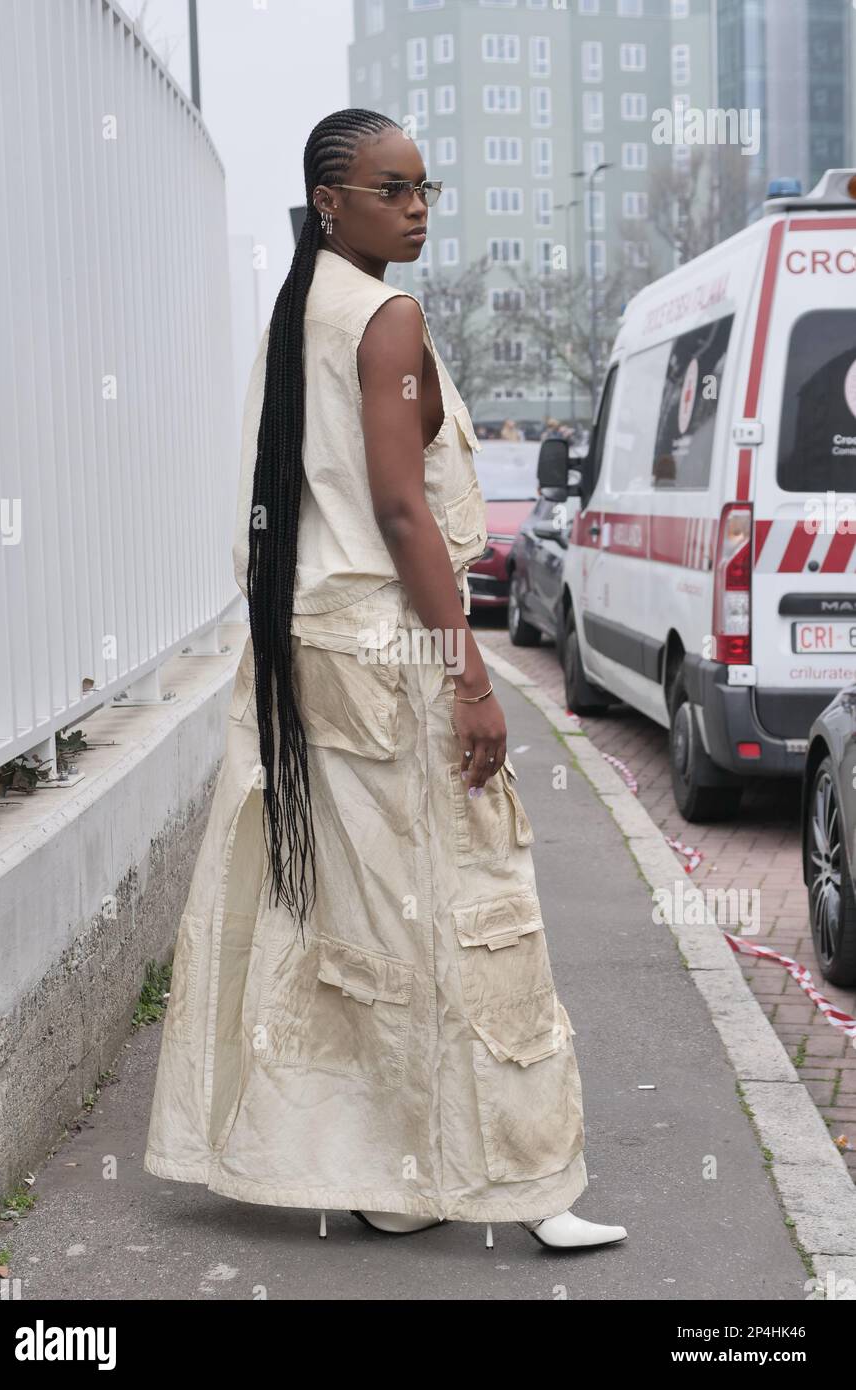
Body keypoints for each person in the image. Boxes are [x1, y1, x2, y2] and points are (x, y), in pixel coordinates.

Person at [143, 108, 626, 1254]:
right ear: (330, 204)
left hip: (314, 652)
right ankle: (524, 1181)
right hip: (396, 658)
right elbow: (404, 508)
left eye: (426, 189)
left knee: (352, 914)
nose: (415, 209)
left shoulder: (299, 307)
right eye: (391, 190)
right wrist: (470, 676)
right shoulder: (387, 317)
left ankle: (397, 1172)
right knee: (475, 897)